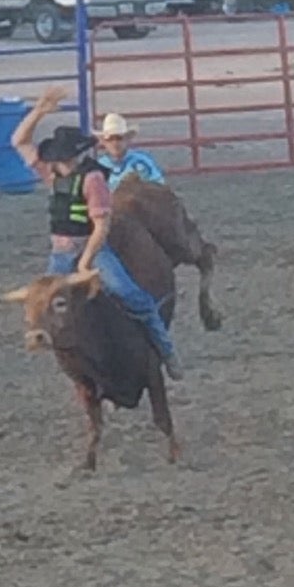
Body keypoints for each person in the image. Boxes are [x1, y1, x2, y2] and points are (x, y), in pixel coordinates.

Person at [11, 85, 184, 378]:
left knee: (133, 296)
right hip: (61, 251)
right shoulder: (51, 173)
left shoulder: (93, 180)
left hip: (92, 247)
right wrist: (38, 111)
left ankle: (166, 351)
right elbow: (19, 140)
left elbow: (101, 225)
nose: (60, 161)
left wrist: (85, 261)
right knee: (43, 302)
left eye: (63, 157)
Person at [94, 112, 165, 190]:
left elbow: (159, 186)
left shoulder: (142, 161)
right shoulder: (99, 166)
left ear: (127, 139)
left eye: (119, 138)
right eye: (110, 139)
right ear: (104, 142)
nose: (115, 143)